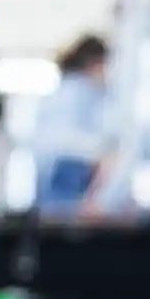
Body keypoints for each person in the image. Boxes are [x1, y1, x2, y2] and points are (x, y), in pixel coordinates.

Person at [32, 33, 114, 217]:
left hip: (55, 176)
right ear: (96, 63)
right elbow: (64, 139)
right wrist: (101, 153)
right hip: (65, 174)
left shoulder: (68, 90)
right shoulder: (77, 90)